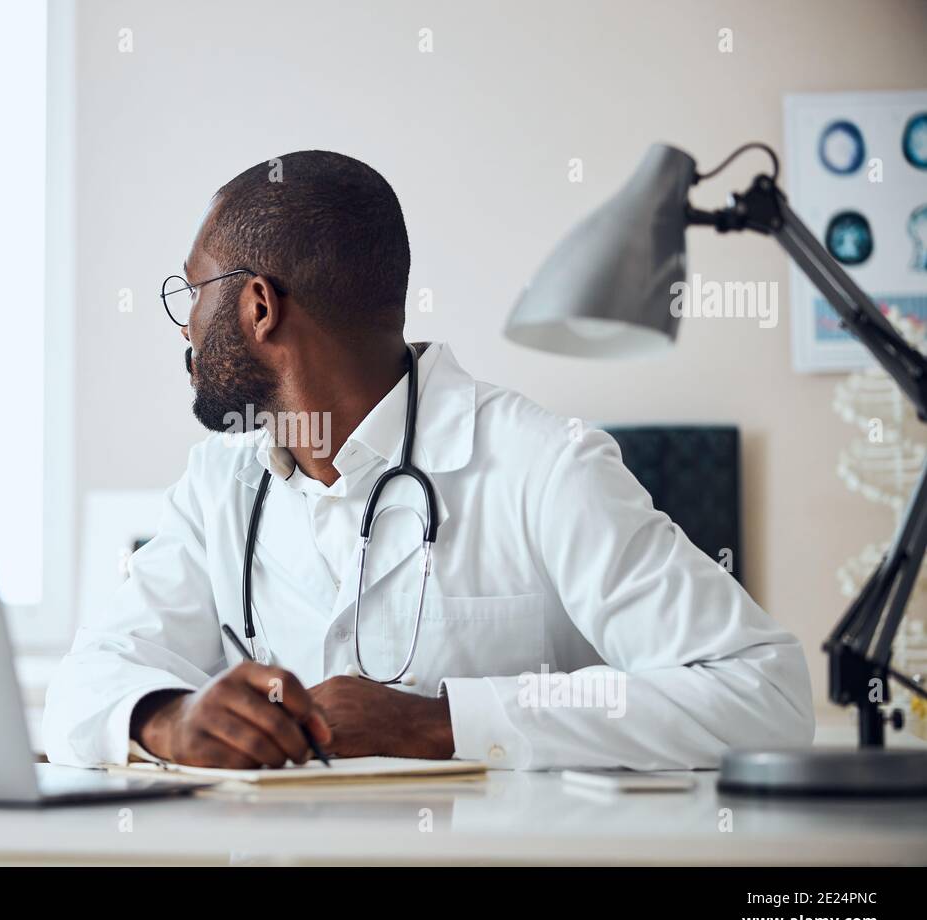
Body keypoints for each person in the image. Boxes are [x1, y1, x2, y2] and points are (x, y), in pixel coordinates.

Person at [42, 150, 814, 771]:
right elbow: (84, 680)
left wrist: (441, 720)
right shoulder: (220, 485)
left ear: (258, 307)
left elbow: (764, 699)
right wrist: (170, 719)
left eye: (193, 292)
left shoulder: (544, 467)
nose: (186, 328)